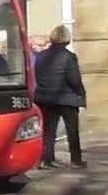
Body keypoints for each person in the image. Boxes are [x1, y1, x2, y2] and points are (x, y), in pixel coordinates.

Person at [33, 24, 87, 169]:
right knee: (72, 132)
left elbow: (37, 76)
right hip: (67, 98)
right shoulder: (69, 57)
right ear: (66, 39)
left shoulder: (41, 56)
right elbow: (75, 79)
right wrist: (81, 94)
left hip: (45, 97)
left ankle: (46, 159)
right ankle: (76, 160)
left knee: (48, 130)